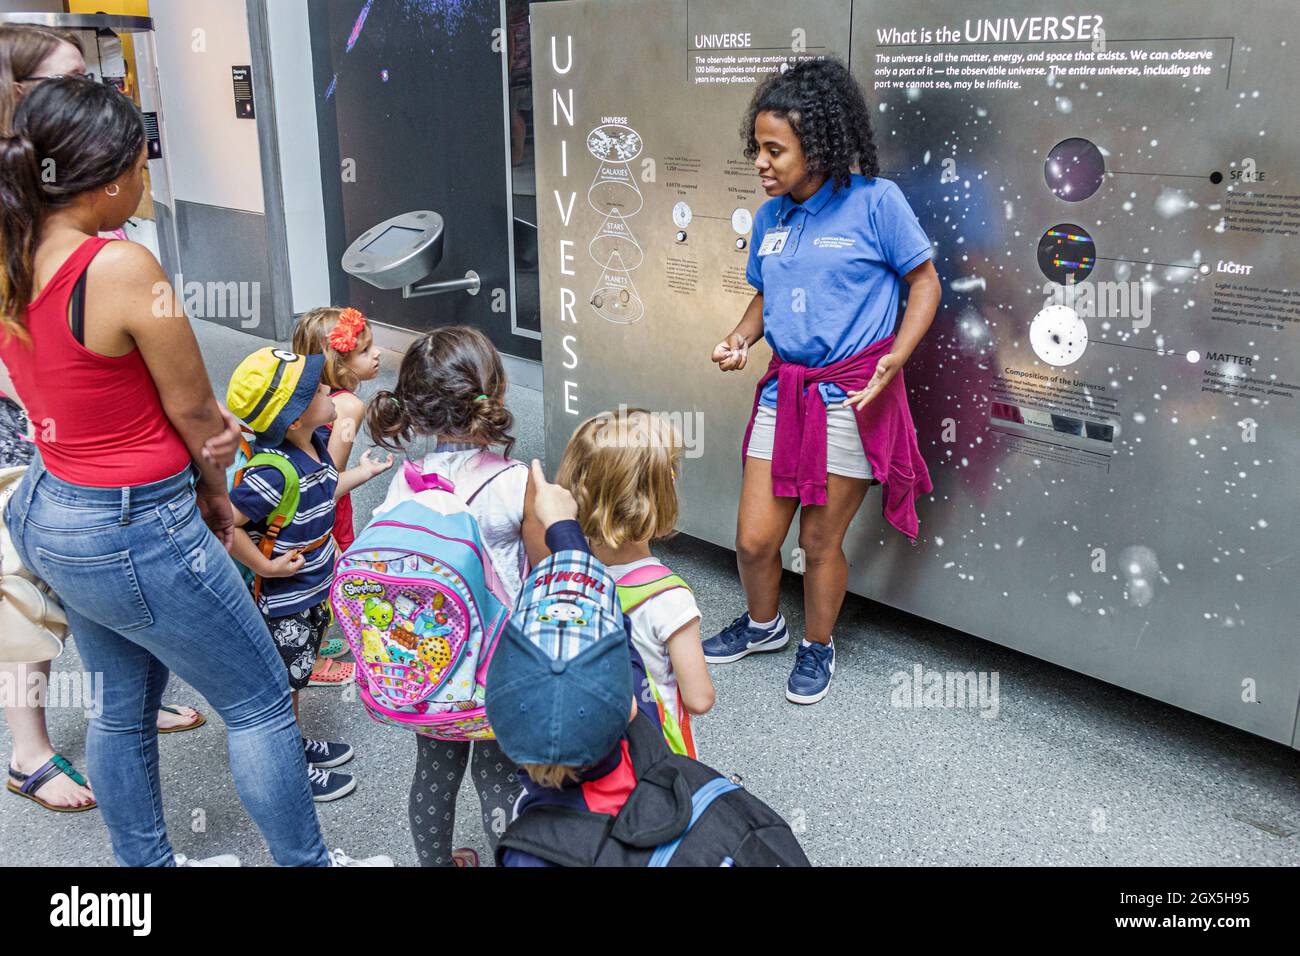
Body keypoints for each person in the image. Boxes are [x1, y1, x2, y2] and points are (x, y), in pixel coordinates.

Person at [0, 76, 387, 866]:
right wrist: (218, 496)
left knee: (118, 708)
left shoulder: (11, 248)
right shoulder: (119, 267)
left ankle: (148, 871)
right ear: (108, 177)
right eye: (141, 167)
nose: (145, 183)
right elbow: (199, 416)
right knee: (260, 704)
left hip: (52, 506)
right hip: (132, 524)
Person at [0, 24, 217, 816]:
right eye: (63, 85)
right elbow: (192, 402)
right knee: (21, 599)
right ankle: (28, 749)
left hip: (71, 469)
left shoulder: (62, 229)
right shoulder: (68, 242)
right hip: (83, 476)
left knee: (108, 662)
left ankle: (130, 701)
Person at [705, 58, 940, 705]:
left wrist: (896, 356)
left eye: (776, 150)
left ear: (820, 145)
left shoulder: (876, 204)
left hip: (852, 396)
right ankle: (762, 625)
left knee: (817, 541)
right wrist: (740, 339)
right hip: (787, 394)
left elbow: (924, 283)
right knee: (754, 540)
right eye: (759, 148)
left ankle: (817, 644)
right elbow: (764, 297)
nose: (762, 163)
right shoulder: (772, 218)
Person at [366, 325, 544, 866]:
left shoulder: (409, 480)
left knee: (435, 770)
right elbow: (546, 575)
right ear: (497, 390)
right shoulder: (515, 482)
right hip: (494, 665)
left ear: (415, 413)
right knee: (496, 774)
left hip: (430, 664)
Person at [226, 347, 393, 802]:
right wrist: (263, 565)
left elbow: (319, 493)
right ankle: (288, 764)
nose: (330, 394)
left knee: (296, 677)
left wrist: (360, 472)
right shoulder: (270, 472)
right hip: (285, 603)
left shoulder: (313, 445)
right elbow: (225, 523)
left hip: (311, 592)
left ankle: (292, 744)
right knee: (285, 686)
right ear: (294, 418)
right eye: (320, 392)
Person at [555, 408, 714, 756]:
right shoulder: (670, 599)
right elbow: (699, 698)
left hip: (592, 741)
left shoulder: (568, 574)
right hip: (654, 752)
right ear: (661, 496)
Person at [291, 306, 383, 681]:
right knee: (322, 573)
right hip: (320, 512)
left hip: (294, 502)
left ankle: (306, 639)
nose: (376, 354)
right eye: (364, 351)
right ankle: (306, 659)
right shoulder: (348, 405)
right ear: (337, 362)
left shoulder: (304, 394)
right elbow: (326, 483)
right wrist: (365, 473)